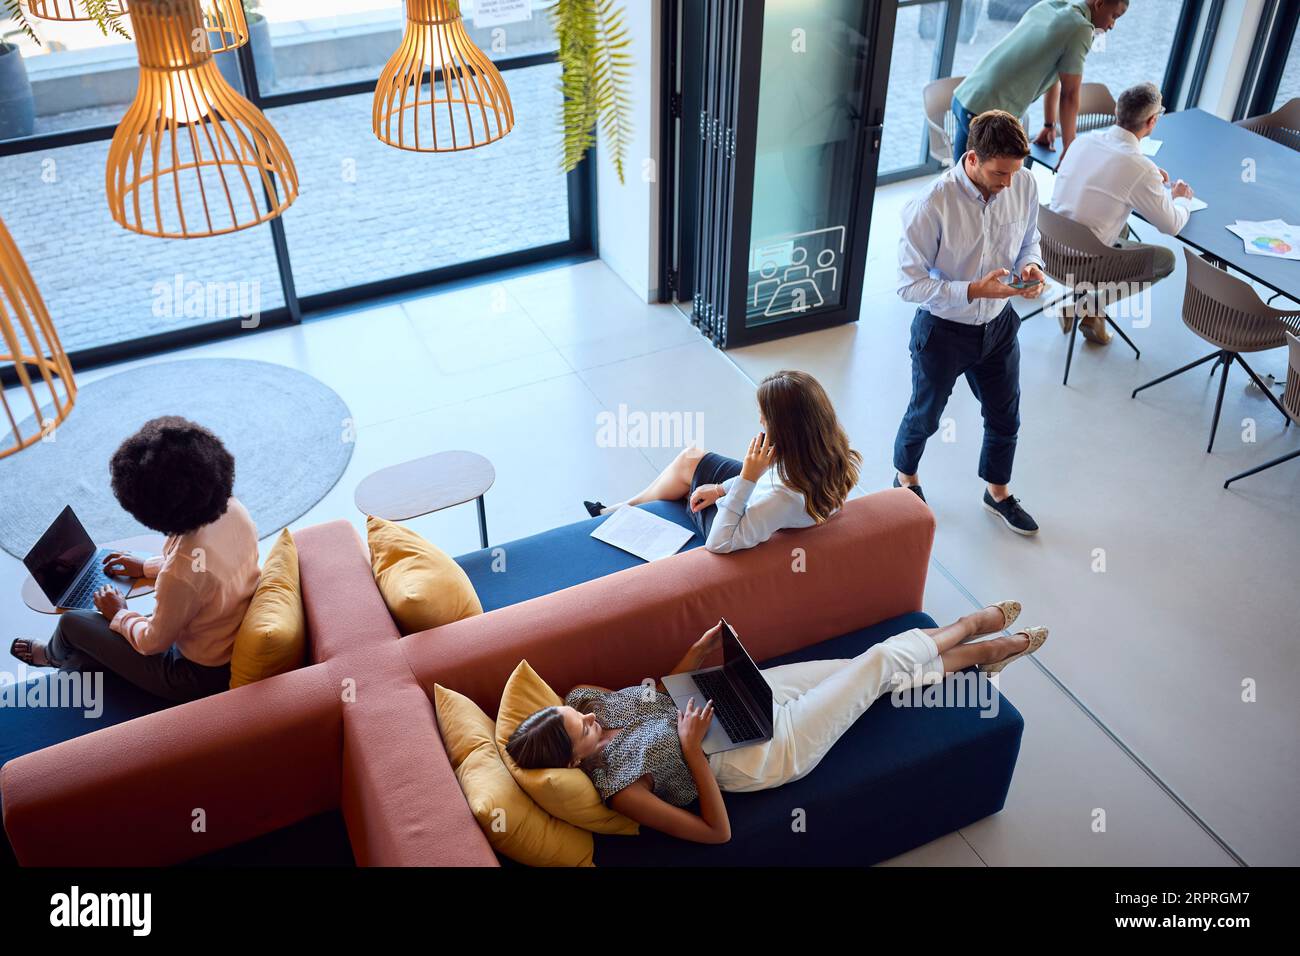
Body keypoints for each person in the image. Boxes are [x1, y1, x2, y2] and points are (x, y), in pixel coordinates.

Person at [505, 609, 1047, 845]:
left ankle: (978, 659)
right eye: (585, 729)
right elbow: (717, 834)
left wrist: (694, 656)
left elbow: (660, 698)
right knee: (879, 663)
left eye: (581, 713)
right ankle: (977, 633)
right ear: (574, 762)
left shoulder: (581, 698)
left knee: (863, 672)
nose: (593, 715)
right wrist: (693, 753)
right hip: (753, 757)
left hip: (727, 700)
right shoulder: (619, 789)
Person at [10, 417, 260, 702]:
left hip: (193, 675)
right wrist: (144, 567)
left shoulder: (180, 575)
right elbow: (202, 569)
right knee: (97, 631)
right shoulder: (233, 510)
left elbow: (153, 642)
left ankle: (51, 657)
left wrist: (118, 612)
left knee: (72, 623)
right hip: (225, 629)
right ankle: (76, 656)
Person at [893, 110, 1046, 536]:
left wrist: (1031, 267)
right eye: (1000, 173)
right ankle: (906, 480)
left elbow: (1030, 239)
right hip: (943, 331)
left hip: (999, 327)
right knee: (924, 416)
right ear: (973, 158)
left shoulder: (1024, 182)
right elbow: (909, 286)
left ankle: (996, 492)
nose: (1009, 184)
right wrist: (973, 290)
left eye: (1015, 173)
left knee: (1005, 416)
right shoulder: (930, 205)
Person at [584, 370, 861, 554]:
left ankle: (616, 513)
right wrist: (720, 488)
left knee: (686, 483)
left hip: (735, 518)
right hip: (763, 486)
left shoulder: (784, 497)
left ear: (785, 428)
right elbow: (768, 479)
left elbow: (720, 542)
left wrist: (747, 479)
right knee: (692, 457)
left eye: (765, 416)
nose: (760, 421)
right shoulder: (822, 450)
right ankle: (618, 508)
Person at [1048, 81, 1192, 345]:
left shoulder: (1083, 141)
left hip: (1049, 248)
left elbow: (1111, 172)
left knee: (1119, 224)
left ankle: (1085, 308)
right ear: (1152, 121)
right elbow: (1171, 225)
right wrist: (1182, 201)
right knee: (1165, 260)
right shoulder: (1140, 168)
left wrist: (1147, 172)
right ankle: (1088, 306)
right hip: (1081, 262)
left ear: (1117, 110)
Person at [951, 0, 1129, 161]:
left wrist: (1049, 124)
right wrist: (1070, 147)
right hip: (986, 113)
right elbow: (1070, 94)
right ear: (1099, 4)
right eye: (1114, 16)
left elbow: (1056, 75)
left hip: (966, 99)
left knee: (961, 183)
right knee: (995, 186)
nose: (1113, 25)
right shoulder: (1081, 29)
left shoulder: (1050, 5)